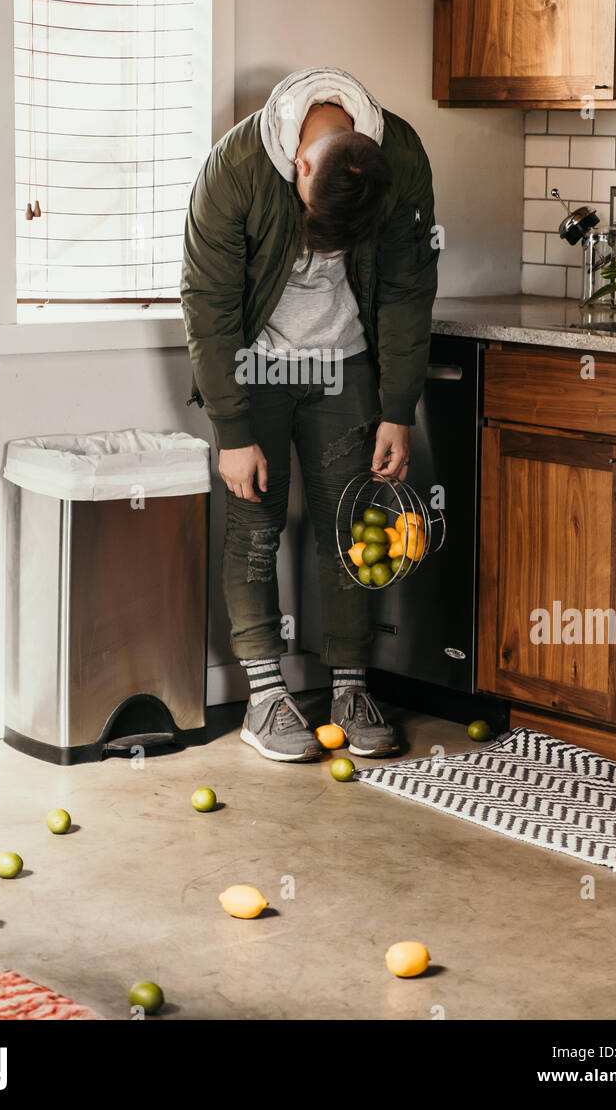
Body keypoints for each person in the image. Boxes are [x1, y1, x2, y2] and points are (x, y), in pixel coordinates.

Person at [181, 67, 437, 762]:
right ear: (296, 163)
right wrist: (232, 432)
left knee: (353, 525)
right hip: (256, 366)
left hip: (347, 362)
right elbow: (207, 305)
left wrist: (396, 409)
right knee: (256, 526)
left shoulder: (400, 158)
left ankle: (350, 685)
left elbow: (410, 287)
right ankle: (265, 697)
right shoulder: (234, 168)